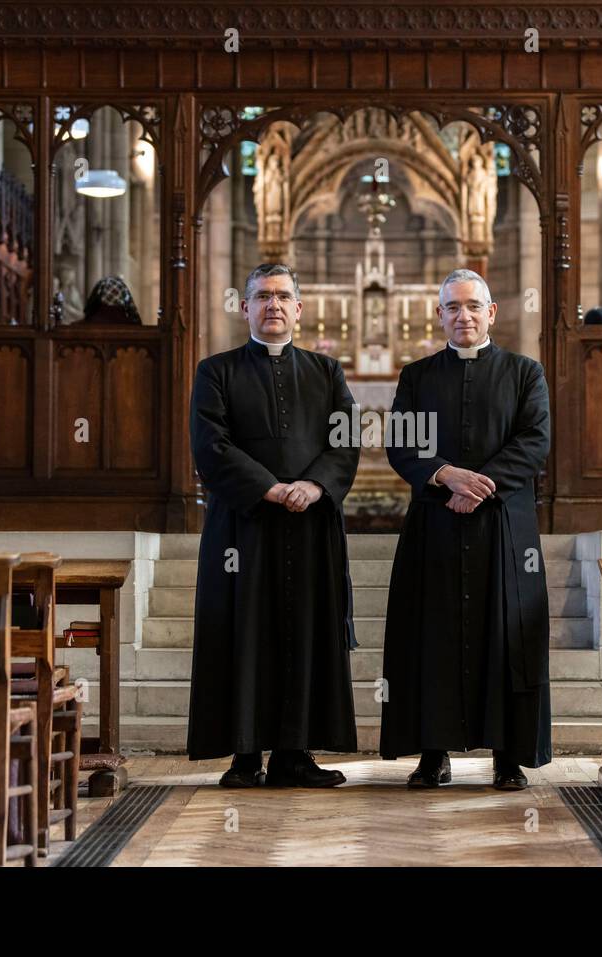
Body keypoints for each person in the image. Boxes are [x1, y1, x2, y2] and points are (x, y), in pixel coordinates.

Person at [187, 263, 360, 787]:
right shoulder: (216, 372)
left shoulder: (327, 373)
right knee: (245, 633)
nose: (273, 305)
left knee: (305, 632)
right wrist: (269, 488)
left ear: (299, 309)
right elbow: (210, 444)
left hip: (310, 525)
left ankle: (294, 754)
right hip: (243, 526)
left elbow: (346, 438)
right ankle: (244, 757)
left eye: (283, 296)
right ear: (245, 307)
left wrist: (314, 487)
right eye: (262, 296)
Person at [379, 268, 552, 790]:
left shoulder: (526, 373)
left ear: (492, 312)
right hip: (435, 524)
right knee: (430, 637)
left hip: (504, 526)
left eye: (473, 306)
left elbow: (534, 440)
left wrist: (478, 485)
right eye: (452, 307)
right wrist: (444, 475)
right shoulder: (417, 376)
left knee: (507, 637)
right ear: (439, 316)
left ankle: (508, 755)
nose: (464, 316)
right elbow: (401, 445)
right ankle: (433, 754)